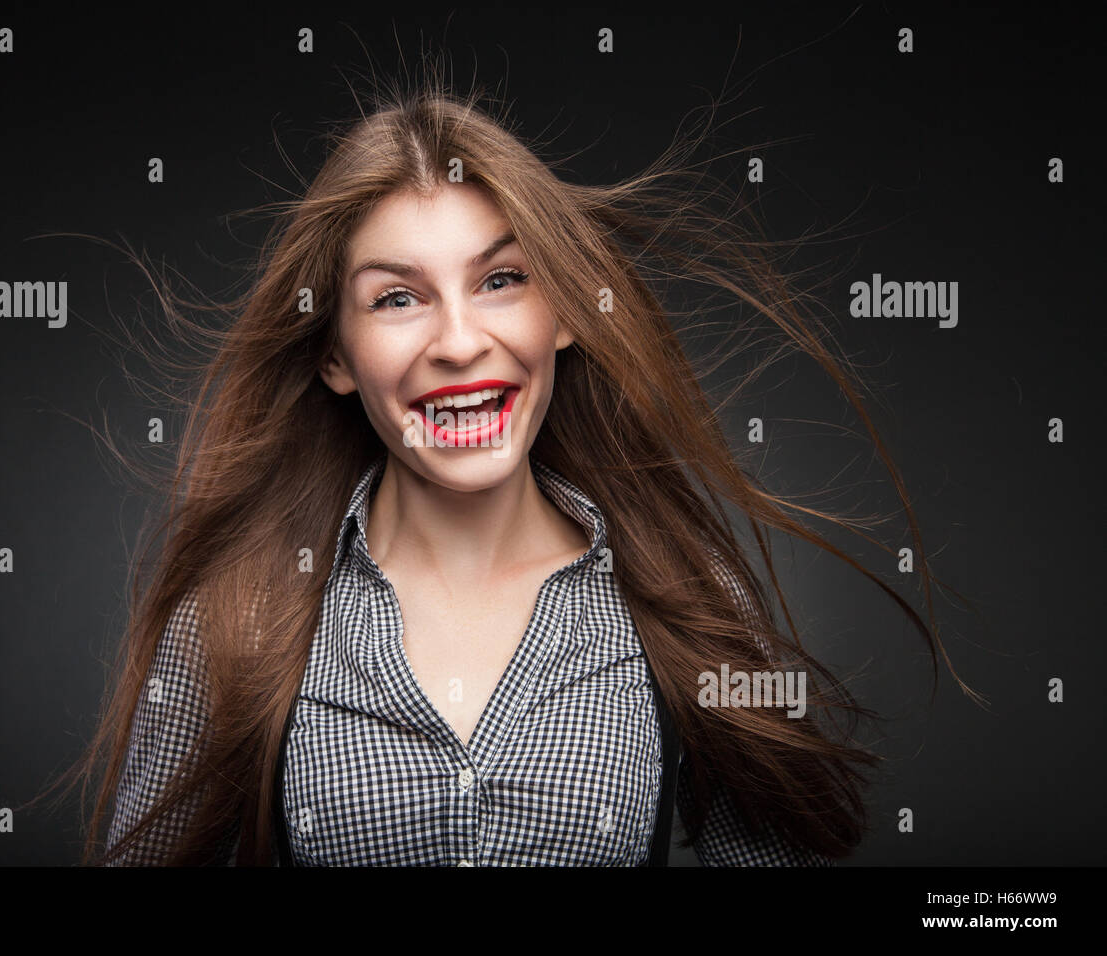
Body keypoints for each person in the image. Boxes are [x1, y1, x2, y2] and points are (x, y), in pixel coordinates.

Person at [81, 70, 964, 867]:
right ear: (335, 357)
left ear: (567, 315)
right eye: (397, 298)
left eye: (501, 280)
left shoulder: (679, 608)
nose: (462, 342)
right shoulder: (239, 621)